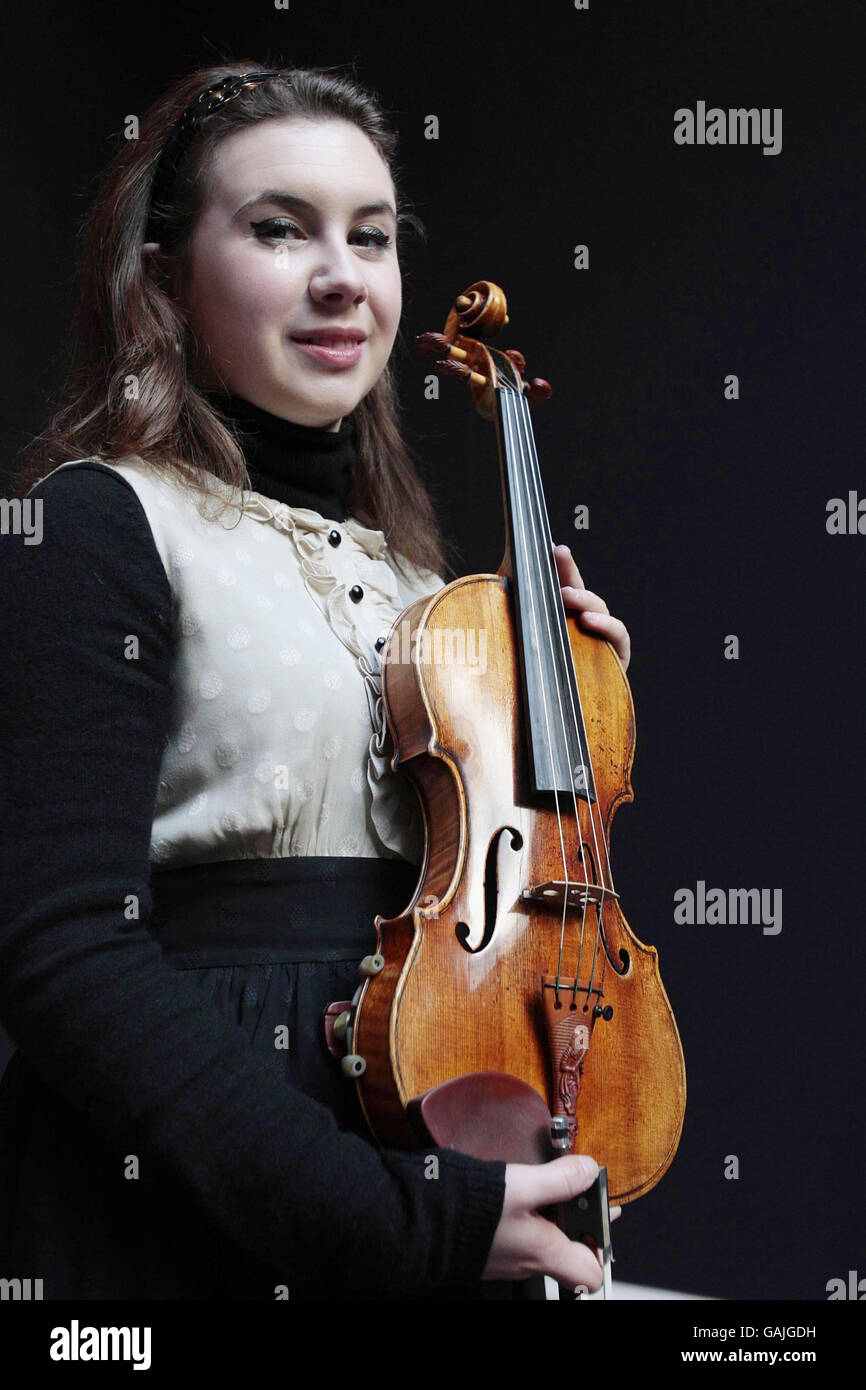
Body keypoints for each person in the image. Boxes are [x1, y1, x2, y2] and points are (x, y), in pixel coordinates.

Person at [0, 62, 630, 1301]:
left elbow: (477, 921)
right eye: (279, 229)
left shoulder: (421, 588)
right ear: (168, 282)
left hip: (417, 1148)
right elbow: (62, 955)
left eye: (372, 235)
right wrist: (392, 1222)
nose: (342, 274)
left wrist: (563, 711)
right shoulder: (90, 527)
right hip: (182, 1201)